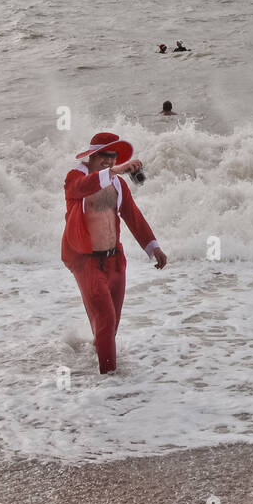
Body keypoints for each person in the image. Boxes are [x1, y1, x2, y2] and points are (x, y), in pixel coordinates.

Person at [62, 132, 168, 373]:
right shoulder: (75, 178)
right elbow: (82, 187)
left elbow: (132, 215)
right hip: (87, 262)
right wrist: (115, 170)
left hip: (115, 261)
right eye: (105, 157)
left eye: (113, 157)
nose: (110, 161)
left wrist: (153, 247)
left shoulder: (118, 184)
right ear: (91, 157)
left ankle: (98, 355)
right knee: (107, 321)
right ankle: (109, 383)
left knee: (110, 326)